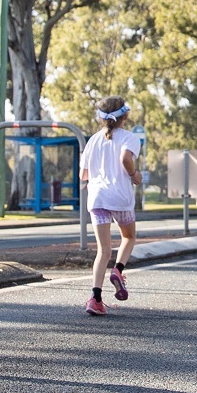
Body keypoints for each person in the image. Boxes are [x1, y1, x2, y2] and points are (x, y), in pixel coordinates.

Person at [82, 97, 142, 316]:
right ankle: (118, 270)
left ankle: (95, 299)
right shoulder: (130, 138)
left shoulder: (93, 141)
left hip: (97, 199)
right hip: (120, 197)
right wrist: (135, 175)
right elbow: (126, 159)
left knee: (103, 250)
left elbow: (83, 174)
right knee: (128, 237)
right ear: (125, 116)